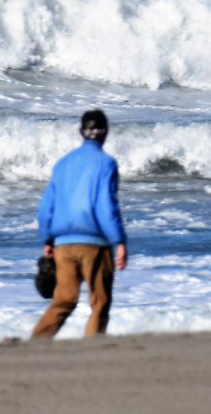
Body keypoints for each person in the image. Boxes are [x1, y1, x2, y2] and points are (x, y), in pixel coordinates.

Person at [32, 109, 128, 338]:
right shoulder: (106, 163)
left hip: (63, 243)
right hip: (94, 243)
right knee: (100, 302)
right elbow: (106, 206)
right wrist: (119, 241)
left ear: (81, 132)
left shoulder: (63, 164)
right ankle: (93, 349)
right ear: (106, 132)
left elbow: (46, 207)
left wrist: (48, 239)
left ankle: (36, 343)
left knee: (64, 300)